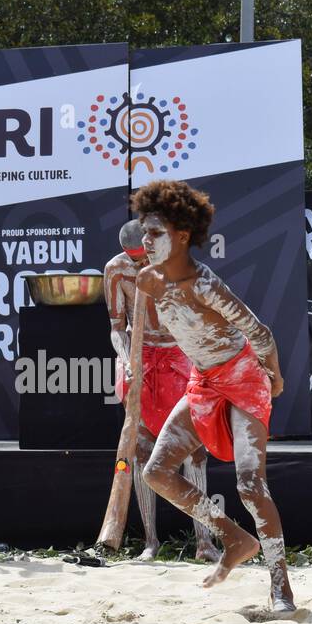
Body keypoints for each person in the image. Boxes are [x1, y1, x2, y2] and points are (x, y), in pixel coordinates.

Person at [131, 179, 294, 612]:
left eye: (154, 232)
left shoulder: (204, 284)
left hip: (242, 378)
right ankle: (234, 538)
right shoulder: (147, 279)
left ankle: (281, 588)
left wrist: (274, 376)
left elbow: (259, 332)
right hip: (203, 382)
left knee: (249, 484)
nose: (145, 241)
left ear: (182, 236)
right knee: (156, 472)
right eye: (144, 232)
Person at [105, 219, 218, 561]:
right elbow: (116, 327)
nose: (142, 265)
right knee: (140, 451)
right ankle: (150, 541)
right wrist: (126, 359)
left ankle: (204, 542)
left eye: (146, 257)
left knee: (194, 450)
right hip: (139, 361)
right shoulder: (115, 270)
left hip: (180, 359)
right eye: (136, 260)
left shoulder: (179, 265)